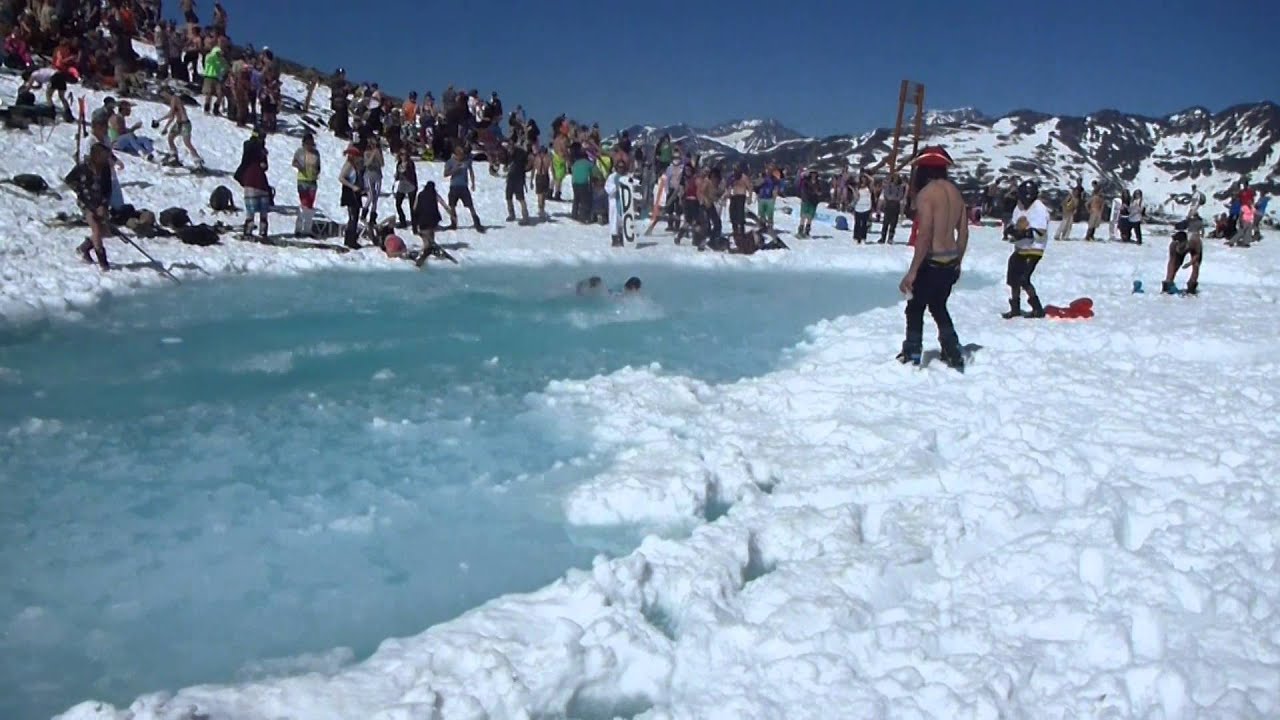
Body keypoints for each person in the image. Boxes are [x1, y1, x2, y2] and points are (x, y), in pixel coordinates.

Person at [896, 146, 968, 370]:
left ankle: (912, 351)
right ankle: (952, 348)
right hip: (950, 260)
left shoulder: (926, 195)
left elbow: (925, 234)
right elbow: (963, 233)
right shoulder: (956, 193)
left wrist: (912, 271)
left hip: (932, 260)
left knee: (915, 307)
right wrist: (958, 261)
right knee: (938, 305)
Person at [1002, 179, 1050, 319]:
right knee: (1013, 277)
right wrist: (1012, 230)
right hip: (1021, 247)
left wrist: (1023, 233)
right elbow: (1013, 223)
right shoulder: (1019, 207)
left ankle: (1037, 308)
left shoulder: (1039, 208)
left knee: (1024, 278)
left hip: (1035, 248)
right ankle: (1015, 307)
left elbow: (1041, 230)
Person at [70, 143, 114, 271]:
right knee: (97, 229)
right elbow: (70, 181)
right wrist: (81, 195)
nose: (105, 159)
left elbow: (108, 188)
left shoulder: (105, 169)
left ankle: (84, 248)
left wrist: (103, 205)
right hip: (86, 203)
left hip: (100, 203)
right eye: (103, 156)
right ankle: (103, 262)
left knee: (104, 231)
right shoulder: (82, 168)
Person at [234, 128, 271, 238]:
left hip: (258, 180)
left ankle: (260, 230)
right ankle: (251, 229)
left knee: (260, 208)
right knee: (252, 209)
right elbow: (250, 152)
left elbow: (265, 166)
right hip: (252, 179)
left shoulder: (259, 149)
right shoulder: (251, 146)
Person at [157, 89, 204, 168]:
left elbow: (171, 114)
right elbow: (172, 117)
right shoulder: (171, 101)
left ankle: (198, 161)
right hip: (178, 124)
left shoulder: (174, 98)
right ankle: (174, 157)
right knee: (170, 138)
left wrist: (159, 120)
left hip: (185, 124)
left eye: (163, 94)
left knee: (187, 143)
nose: (163, 96)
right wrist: (165, 127)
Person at [412, 181, 453, 268]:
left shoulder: (420, 194)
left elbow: (414, 207)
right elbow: (443, 204)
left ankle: (426, 250)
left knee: (426, 237)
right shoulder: (434, 194)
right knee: (431, 232)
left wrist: (415, 221)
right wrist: (451, 213)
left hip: (422, 219)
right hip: (433, 219)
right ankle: (429, 248)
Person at [444, 145, 483, 231]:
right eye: (460, 154)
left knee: (470, 205)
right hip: (454, 186)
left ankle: (477, 222)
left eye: (462, 154)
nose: (462, 156)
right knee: (452, 205)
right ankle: (453, 223)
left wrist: (473, 183)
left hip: (464, 187)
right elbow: (445, 173)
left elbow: (471, 172)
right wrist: (455, 170)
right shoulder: (450, 162)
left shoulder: (467, 161)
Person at [1163, 216, 1203, 295]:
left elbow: (1197, 255)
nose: (1181, 250)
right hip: (1181, 245)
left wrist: (1189, 263)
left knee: (1196, 265)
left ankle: (1192, 284)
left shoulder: (1194, 242)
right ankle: (1169, 282)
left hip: (1195, 248)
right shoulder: (1173, 245)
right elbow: (1171, 262)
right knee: (1175, 264)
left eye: (1182, 248)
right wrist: (1168, 280)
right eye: (1179, 248)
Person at [292, 131, 321, 237]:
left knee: (310, 205)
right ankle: (299, 228)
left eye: (311, 143)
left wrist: (317, 172)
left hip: (312, 180)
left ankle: (307, 229)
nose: (309, 145)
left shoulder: (316, 153)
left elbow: (318, 165)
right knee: (304, 203)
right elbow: (294, 162)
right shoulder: (300, 152)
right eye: (307, 143)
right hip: (302, 179)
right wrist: (299, 166)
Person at [338, 143, 366, 249]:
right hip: (350, 193)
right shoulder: (349, 165)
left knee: (355, 216)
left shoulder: (355, 165)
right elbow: (341, 178)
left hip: (356, 193)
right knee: (353, 216)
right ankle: (350, 240)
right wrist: (352, 186)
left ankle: (351, 238)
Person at [393, 146, 418, 231]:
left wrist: (405, 171)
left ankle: (415, 225)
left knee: (412, 206)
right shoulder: (399, 164)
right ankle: (402, 221)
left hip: (410, 185)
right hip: (402, 185)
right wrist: (397, 176)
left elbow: (411, 174)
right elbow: (398, 174)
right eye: (401, 154)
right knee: (398, 204)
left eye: (404, 154)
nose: (402, 156)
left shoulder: (410, 163)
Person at [506, 139, 531, 223]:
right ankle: (511, 214)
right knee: (508, 197)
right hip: (510, 178)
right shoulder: (509, 155)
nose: (509, 149)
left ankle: (525, 216)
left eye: (510, 147)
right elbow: (508, 164)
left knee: (520, 198)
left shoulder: (520, 154)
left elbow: (527, 163)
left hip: (519, 179)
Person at [879, 173, 905, 243]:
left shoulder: (900, 187)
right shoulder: (889, 186)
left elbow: (900, 196)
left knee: (893, 223)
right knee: (885, 223)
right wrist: (891, 198)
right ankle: (883, 238)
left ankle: (890, 238)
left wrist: (894, 198)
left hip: (896, 205)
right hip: (888, 205)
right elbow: (886, 194)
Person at [797, 169, 820, 239]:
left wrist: (818, 193)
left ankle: (807, 231)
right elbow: (803, 189)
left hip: (813, 201)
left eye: (815, 174)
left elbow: (819, 191)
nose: (813, 175)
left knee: (810, 217)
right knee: (803, 216)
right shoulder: (806, 181)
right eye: (812, 174)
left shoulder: (818, 183)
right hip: (806, 199)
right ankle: (800, 230)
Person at [851, 174, 873, 243]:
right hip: (858, 207)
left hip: (866, 207)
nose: (863, 180)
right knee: (857, 223)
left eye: (865, 179)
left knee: (864, 223)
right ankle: (856, 237)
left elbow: (872, 180)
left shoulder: (869, 187)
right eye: (862, 179)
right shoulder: (857, 187)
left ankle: (863, 237)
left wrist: (865, 174)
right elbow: (855, 197)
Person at [605, 162, 623, 247]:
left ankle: (622, 238)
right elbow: (608, 189)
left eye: (622, 167)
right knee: (614, 221)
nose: (621, 169)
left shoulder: (625, 177)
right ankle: (614, 239)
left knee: (622, 221)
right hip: (614, 202)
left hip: (623, 203)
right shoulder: (612, 177)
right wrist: (616, 187)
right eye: (619, 167)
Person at [532, 143, 551, 219]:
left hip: (538, 176)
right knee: (543, 194)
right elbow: (552, 168)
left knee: (539, 194)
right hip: (545, 176)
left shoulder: (536, 158)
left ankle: (540, 209)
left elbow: (533, 169)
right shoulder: (548, 158)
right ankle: (542, 209)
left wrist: (531, 180)